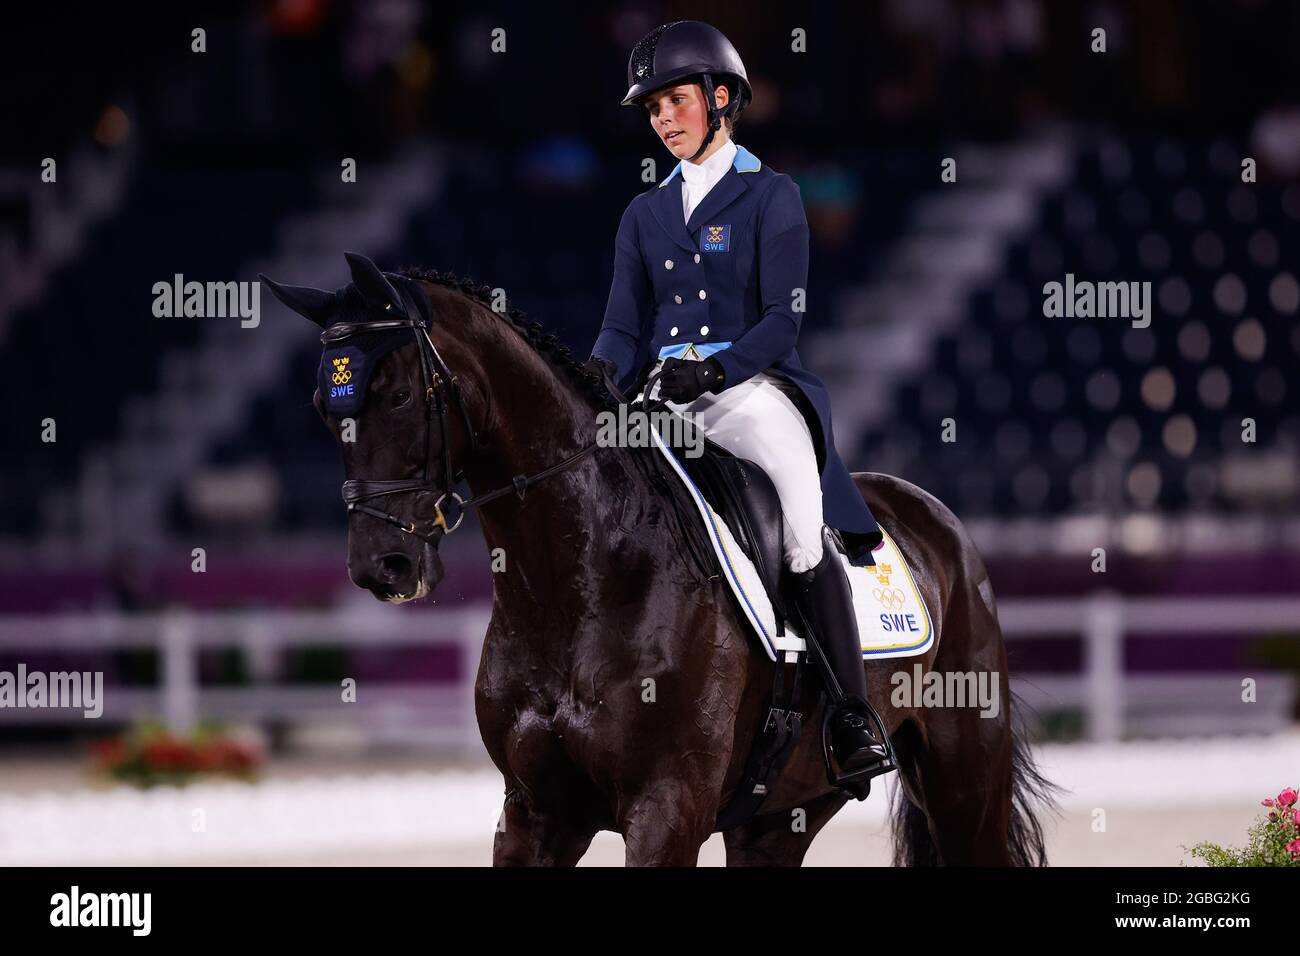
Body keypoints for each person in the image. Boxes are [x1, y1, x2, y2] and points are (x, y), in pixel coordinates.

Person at [585, 21, 890, 776]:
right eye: (653, 108)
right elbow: (623, 327)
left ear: (721, 100)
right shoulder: (643, 213)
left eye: (676, 101)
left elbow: (783, 319)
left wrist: (714, 371)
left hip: (750, 394)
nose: (662, 119)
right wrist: (592, 378)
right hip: (661, 400)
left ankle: (852, 717)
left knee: (800, 524)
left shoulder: (771, 196)